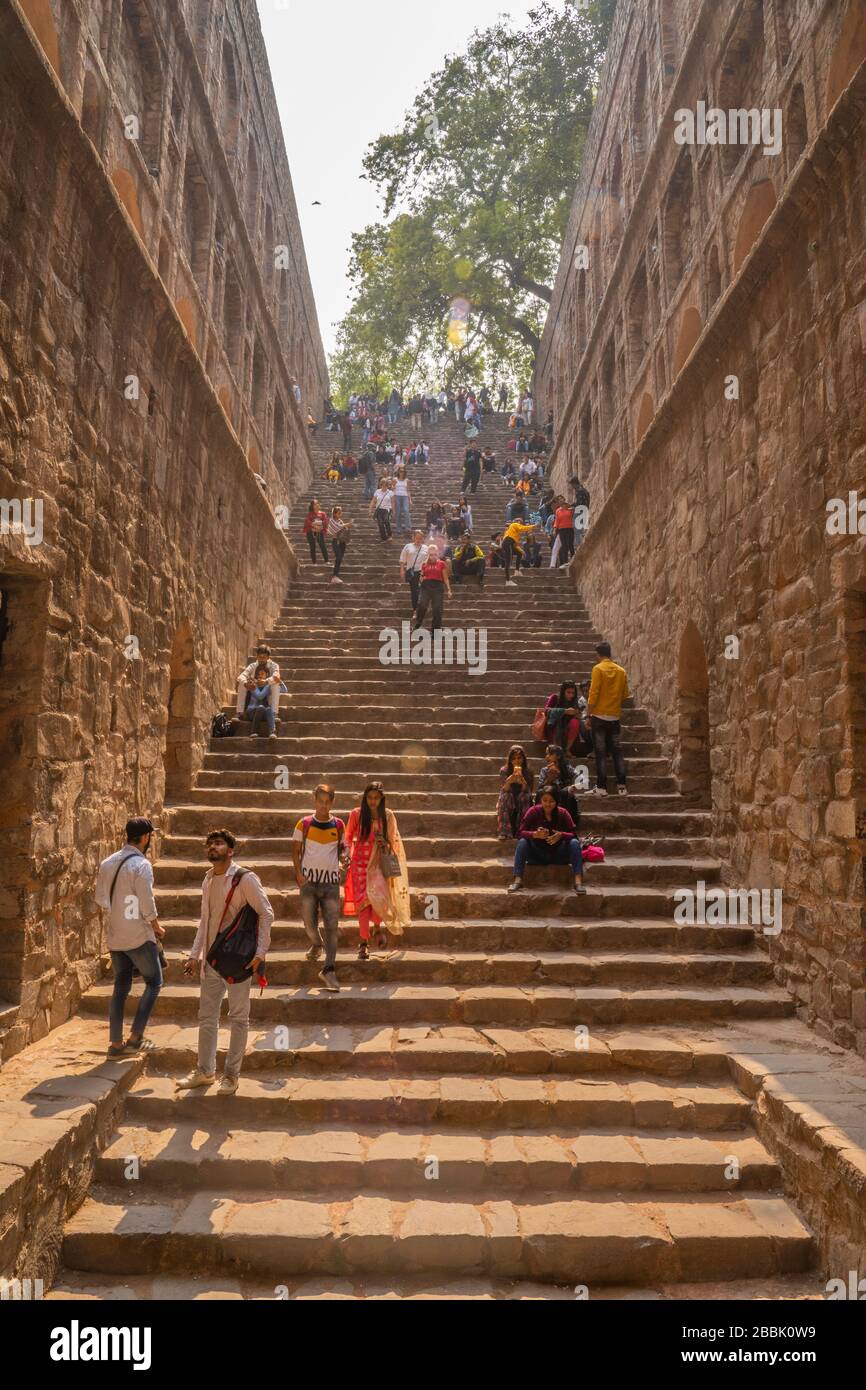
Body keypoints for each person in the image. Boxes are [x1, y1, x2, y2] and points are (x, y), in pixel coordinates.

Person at [179, 829, 274, 1094]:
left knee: (238, 1018)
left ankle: (231, 1075)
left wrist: (260, 954)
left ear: (230, 851)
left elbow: (266, 913)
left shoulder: (245, 879)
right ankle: (205, 1071)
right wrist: (194, 955)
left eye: (218, 844)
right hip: (211, 960)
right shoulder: (208, 880)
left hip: (238, 962)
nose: (212, 847)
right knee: (207, 1018)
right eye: (209, 844)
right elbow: (204, 922)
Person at [95, 817, 165, 1057]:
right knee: (154, 982)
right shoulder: (141, 865)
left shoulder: (107, 863)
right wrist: (156, 926)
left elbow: (101, 899)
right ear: (145, 837)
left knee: (120, 988)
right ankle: (135, 1036)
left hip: (115, 936)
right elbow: (146, 901)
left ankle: (116, 1043)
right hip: (137, 935)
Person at [291, 784, 351, 993]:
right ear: (314, 800)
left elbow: (343, 848)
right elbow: (296, 851)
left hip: (331, 882)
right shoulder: (304, 823)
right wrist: (299, 874)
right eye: (320, 801)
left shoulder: (339, 824)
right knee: (309, 923)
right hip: (309, 881)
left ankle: (329, 969)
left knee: (332, 927)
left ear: (332, 802)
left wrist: (345, 858)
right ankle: (316, 943)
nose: (324, 806)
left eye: (328, 802)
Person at [344, 782, 411, 958]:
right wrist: (345, 856)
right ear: (365, 798)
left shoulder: (388, 816)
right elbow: (347, 837)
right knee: (364, 904)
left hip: (379, 866)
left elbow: (394, 841)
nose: (372, 802)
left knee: (378, 900)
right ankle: (363, 943)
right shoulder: (356, 815)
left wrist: (385, 843)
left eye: (376, 798)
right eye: (369, 798)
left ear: (381, 799)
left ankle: (376, 928)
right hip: (359, 866)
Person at [508, 789, 585, 894]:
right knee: (522, 842)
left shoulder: (563, 813)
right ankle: (518, 880)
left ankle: (578, 882)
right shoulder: (533, 811)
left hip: (558, 855)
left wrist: (561, 835)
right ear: (540, 800)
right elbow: (519, 833)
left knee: (574, 843)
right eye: (545, 800)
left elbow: (574, 835)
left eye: (552, 801)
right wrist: (534, 834)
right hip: (537, 855)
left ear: (557, 801)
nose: (548, 804)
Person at [586, 643, 630, 796]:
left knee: (601, 752)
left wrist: (588, 714)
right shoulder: (621, 671)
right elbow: (625, 694)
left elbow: (594, 693)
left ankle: (602, 787)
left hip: (599, 716)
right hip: (614, 716)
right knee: (617, 751)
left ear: (598, 654)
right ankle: (622, 786)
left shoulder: (597, 669)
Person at [234, 645, 285, 728]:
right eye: (259, 657)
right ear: (257, 656)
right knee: (241, 683)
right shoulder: (252, 666)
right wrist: (246, 684)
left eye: (264, 657)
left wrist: (266, 681)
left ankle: (274, 713)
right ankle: (240, 712)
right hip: (254, 692)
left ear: (268, 657)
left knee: (275, 683)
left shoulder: (274, 665)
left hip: (267, 693)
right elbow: (241, 676)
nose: (261, 659)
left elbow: (277, 676)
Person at [535, 744, 582, 826]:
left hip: (564, 797)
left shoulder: (567, 769)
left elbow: (582, 780)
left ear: (558, 756)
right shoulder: (545, 770)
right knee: (540, 793)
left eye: (550, 754)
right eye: (546, 754)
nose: (547, 757)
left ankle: (567, 822)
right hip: (549, 798)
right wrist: (550, 777)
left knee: (566, 792)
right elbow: (540, 789)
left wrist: (573, 786)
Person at [413, 543, 452, 633]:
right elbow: (421, 577)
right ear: (428, 554)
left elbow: (445, 578)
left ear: (437, 554)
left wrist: (449, 589)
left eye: (434, 554)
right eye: (431, 555)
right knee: (422, 604)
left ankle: (435, 631)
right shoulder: (424, 564)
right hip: (426, 586)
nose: (433, 556)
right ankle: (418, 622)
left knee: (437, 609)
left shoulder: (441, 564)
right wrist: (421, 578)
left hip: (438, 587)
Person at [497, 747, 534, 839]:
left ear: (523, 759)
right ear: (510, 760)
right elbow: (504, 790)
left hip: (522, 796)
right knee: (506, 796)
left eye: (519, 758)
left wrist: (523, 783)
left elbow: (529, 792)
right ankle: (504, 832)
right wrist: (509, 781)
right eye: (513, 758)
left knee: (524, 797)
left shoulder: (529, 771)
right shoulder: (504, 771)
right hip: (509, 796)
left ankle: (522, 830)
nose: (516, 761)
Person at [544, 681, 587, 755]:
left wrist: (577, 714)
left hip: (568, 729)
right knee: (559, 721)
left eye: (573, 693)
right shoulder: (555, 697)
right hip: (553, 726)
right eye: (568, 692)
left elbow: (577, 715)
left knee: (575, 722)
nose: (571, 695)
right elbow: (546, 711)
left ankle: (567, 749)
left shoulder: (574, 701)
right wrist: (564, 711)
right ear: (563, 691)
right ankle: (556, 750)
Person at [400, 529, 430, 614]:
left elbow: (428, 560)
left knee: (423, 590)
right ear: (413, 537)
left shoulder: (425, 548)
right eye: (417, 538)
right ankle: (415, 610)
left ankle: (423, 607)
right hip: (412, 572)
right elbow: (402, 559)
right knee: (414, 591)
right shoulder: (408, 546)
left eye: (420, 538)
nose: (418, 540)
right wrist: (402, 570)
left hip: (422, 572)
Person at [501, 518, 536, 586]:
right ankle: (508, 581)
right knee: (508, 562)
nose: (520, 522)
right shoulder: (514, 524)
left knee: (519, 553)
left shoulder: (514, 533)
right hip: (507, 543)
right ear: (516, 521)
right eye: (519, 521)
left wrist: (521, 551)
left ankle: (517, 570)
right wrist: (533, 526)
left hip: (509, 544)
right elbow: (522, 528)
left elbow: (515, 545)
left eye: (521, 521)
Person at [246, 665, 278, 738]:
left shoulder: (267, 685)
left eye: (262, 674)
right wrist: (267, 685)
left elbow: (283, 690)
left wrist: (279, 681)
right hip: (252, 712)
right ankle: (254, 731)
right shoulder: (253, 685)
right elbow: (260, 696)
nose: (260, 676)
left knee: (269, 709)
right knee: (261, 707)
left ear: (267, 675)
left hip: (263, 713)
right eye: (258, 674)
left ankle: (272, 732)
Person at [327, 505, 352, 584]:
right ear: (334, 513)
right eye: (338, 513)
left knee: (340, 557)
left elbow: (343, 529)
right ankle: (334, 576)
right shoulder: (331, 520)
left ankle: (336, 574)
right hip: (335, 541)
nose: (340, 514)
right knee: (338, 557)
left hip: (342, 542)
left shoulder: (340, 521)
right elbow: (336, 528)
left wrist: (346, 526)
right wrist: (346, 525)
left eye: (341, 513)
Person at [303, 499, 329, 564]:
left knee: (322, 545)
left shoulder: (322, 513)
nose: (317, 505)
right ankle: (314, 562)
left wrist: (320, 527)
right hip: (311, 532)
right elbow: (307, 521)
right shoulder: (309, 514)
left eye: (317, 503)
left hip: (319, 531)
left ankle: (327, 561)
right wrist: (314, 526)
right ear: (312, 506)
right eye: (315, 504)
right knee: (312, 547)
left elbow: (326, 521)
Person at [370, 478, 394, 542]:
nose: (383, 485)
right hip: (379, 509)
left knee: (386, 521)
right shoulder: (377, 491)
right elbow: (373, 501)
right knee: (380, 523)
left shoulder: (390, 492)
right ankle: (384, 537)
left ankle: (390, 535)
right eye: (382, 484)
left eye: (385, 484)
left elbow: (393, 502)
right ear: (380, 484)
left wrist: (394, 511)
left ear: (386, 484)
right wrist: (370, 509)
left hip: (387, 509)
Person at [554, 499, 576, 566]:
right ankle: (565, 562)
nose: (561, 503)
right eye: (560, 502)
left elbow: (574, 510)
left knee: (570, 544)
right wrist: (555, 528)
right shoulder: (558, 511)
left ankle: (573, 559)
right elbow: (557, 520)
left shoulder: (570, 509)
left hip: (569, 528)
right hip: (562, 529)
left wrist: (568, 506)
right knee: (564, 545)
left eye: (562, 502)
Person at [393, 465, 412, 535]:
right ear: (398, 472)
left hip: (405, 496)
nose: (402, 472)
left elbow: (408, 490)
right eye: (400, 471)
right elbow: (393, 489)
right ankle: (399, 528)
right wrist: (393, 498)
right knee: (398, 513)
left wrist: (410, 500)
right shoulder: (395, 479)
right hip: (397, 496)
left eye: (403, 471)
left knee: (406, 510)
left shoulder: (407, 480)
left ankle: (408, 527)